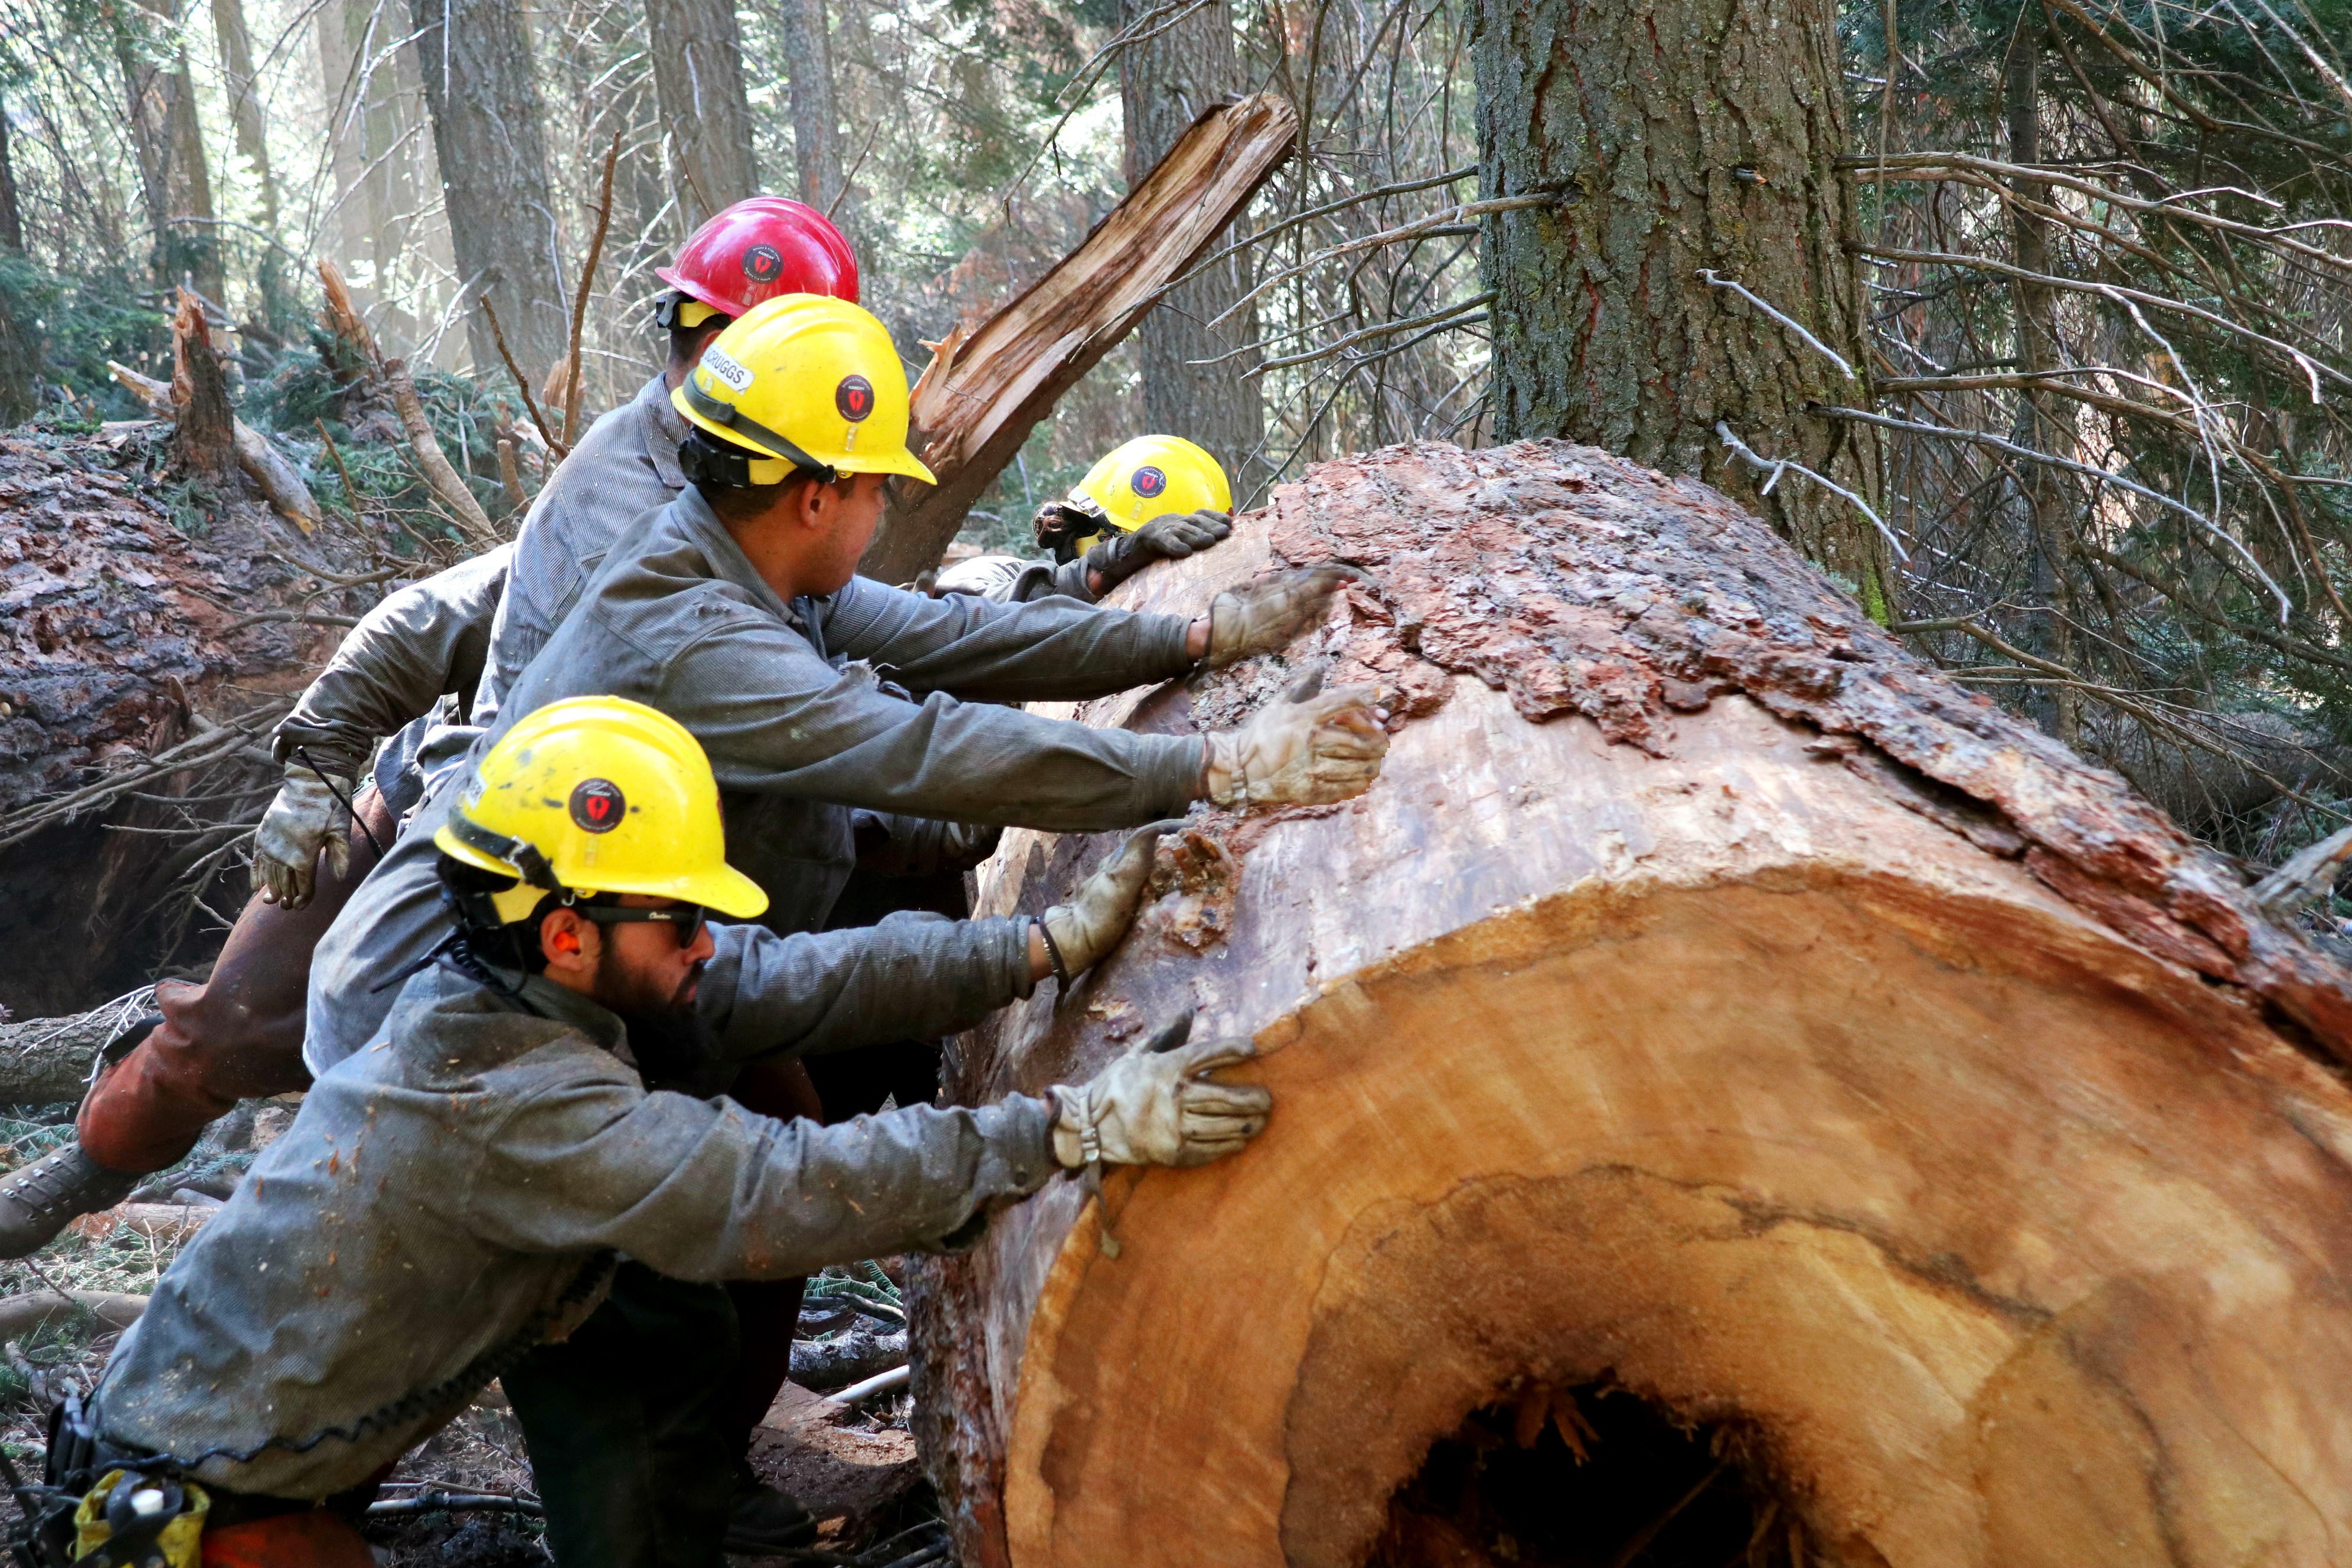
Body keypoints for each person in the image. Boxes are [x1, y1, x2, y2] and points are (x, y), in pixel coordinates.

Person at [27, 700, 1262, 1568]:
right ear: (569, 933)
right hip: (190, 1518)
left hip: (232, 1457)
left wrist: (1032, 946)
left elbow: (791, 975)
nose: (705, 943)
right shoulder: (510, 1100)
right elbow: (787, 1189)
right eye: (680, 921)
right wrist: (1073, 1123)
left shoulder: (514, 993)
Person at [0, 196, 860, 1256]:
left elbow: (872, 739)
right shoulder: (629, 495)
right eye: (700, 345)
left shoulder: (813, 555)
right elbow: (436, 613)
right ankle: (71, 1183)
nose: (712, 385)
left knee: (767, 1131)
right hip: (449, 808)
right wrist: (317, 764)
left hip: (641, 895)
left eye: (748, 359)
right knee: (232, 1026)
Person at [303, 292, 1390, 1083]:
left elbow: (961, 635)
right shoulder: (695, 630)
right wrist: (1213, 765)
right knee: (663, 1319)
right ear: (818, 496)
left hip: (581, 965)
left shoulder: (742, 562)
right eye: (879, 487)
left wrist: (1189, 636)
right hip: (442, 1009)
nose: (884, 512)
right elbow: (921, 750)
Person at [932, 435, 1237, 605]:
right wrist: (1108, 565)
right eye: (1138, 557)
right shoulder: (999, 575)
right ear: (1079, 532)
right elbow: (962, 598)